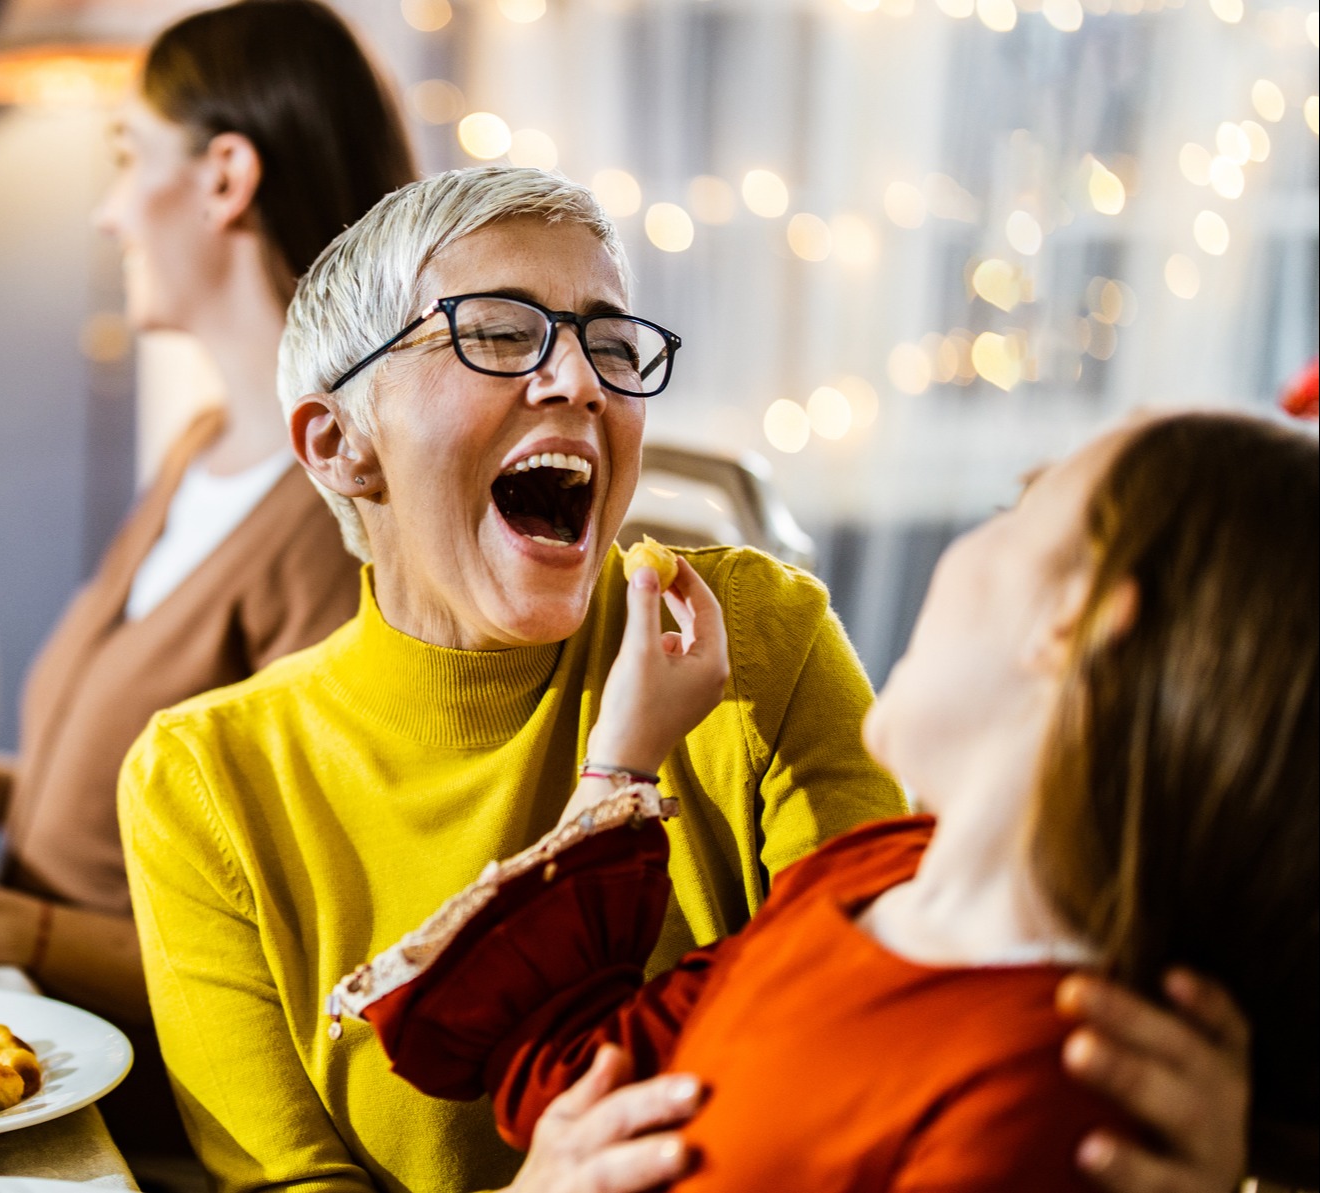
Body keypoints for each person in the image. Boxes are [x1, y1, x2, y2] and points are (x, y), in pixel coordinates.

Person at [114, 165, 907, 1193]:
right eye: (497, 332)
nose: (579, 380)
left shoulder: (754, 637)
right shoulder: (204, 780)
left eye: (612, 345)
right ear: (340, 443)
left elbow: (882, 1029)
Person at [346, 412, 1316, 1192]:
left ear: (1075, 622)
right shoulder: (872, 871)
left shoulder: (1053, 1104)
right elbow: (585, 1077)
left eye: (1019, 511)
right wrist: (622, 763)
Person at [0, 0, 414, 1157]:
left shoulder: (332, 524)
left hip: (140, 1120)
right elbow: (156, 812)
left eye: (125, 158)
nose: (109, 210)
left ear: (225, 177)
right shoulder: (203, 450)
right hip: (25, 1026)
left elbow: (304, 962)